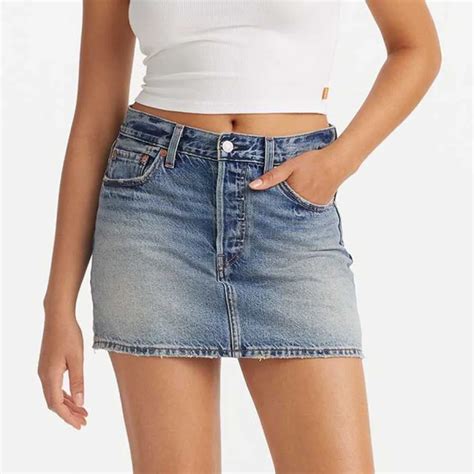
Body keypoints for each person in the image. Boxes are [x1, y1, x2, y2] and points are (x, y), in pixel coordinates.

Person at [38, 0, 441, 471]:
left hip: (289, 212)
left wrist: (338, 162)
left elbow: (417, 48)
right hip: (156, 209)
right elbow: (94, 123)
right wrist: (58, 306)